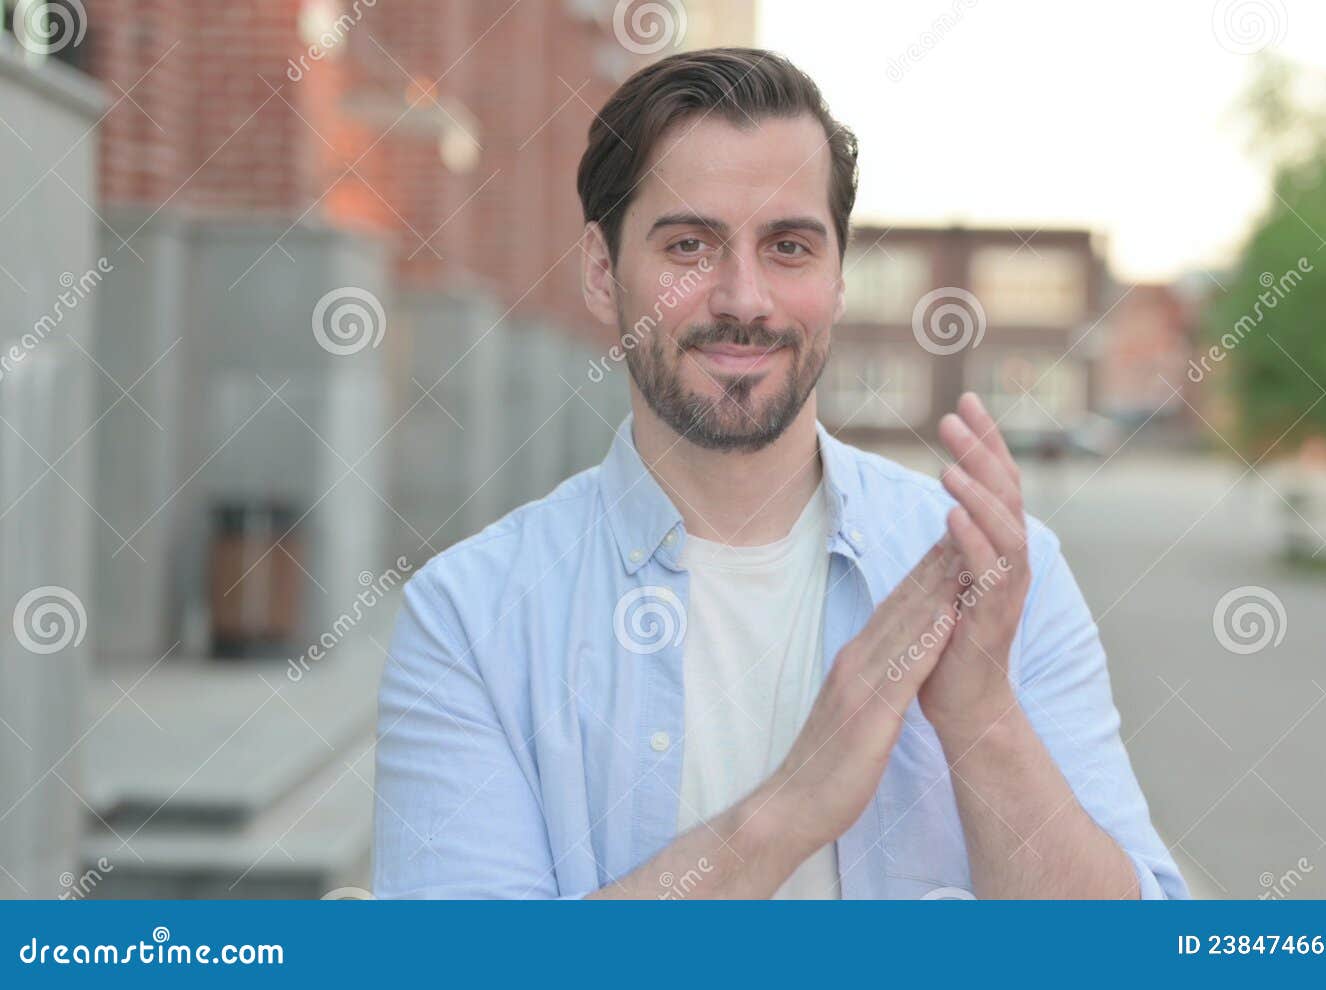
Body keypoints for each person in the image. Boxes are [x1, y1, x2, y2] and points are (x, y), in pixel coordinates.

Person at [372, 47, 1187, 900]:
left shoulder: (997, 577)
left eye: (790, 247)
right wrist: (788, 812)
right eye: (690, 245)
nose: (745, 298)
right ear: (603, 273)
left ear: (838, 281)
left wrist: (981, 715)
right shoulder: (471, 618)